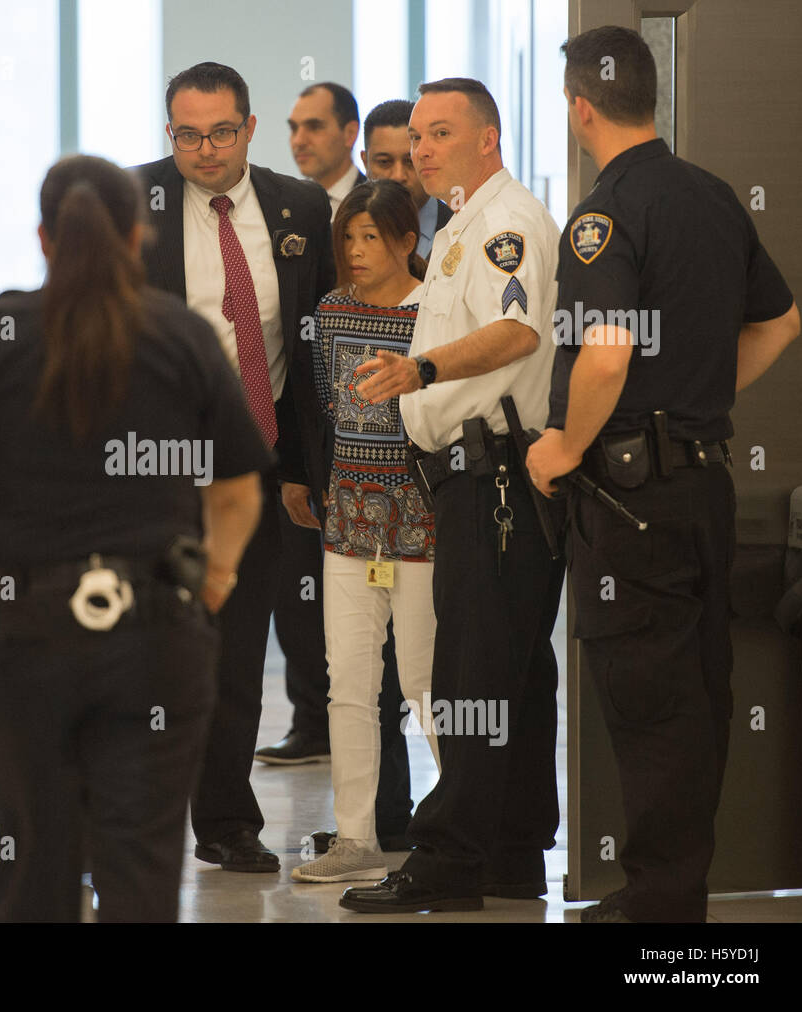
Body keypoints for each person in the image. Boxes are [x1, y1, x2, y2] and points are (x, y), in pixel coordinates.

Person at [0, 154, 270, 922]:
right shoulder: (181, 335)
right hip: (155, 637)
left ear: (44, 238)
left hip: (24, 640)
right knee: (142, 870)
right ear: (138, 234)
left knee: (35, 870)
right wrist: (211, 584)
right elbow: (240, 489)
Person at [527, 26, 800, 923]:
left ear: (579, 107)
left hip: (631, 497)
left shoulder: (604, 214)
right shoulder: (713, 196)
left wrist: (564, 445)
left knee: (648, 700)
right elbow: (781, 323)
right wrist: (693, 395)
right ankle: (674, 891)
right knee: (699, 693)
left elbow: (603, 357)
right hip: (702, 484)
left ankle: (660, 904)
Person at [340, 78, 564, 914]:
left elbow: (518, 331)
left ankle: (449, 861)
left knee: (475, 672)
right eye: (417, 137)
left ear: (489, 139)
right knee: (508, 670)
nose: (423, 150)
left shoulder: (506, 224)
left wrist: (421, 370)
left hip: (497, 477)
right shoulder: (460, 225)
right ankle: (509, 854)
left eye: (440, 134)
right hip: (471, 477)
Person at [134, 62, 335, 872]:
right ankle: (123, 820)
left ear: (250, 128)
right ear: (169, 133)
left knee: (237, 655)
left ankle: (225, 822)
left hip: (251, 469)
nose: (206, 149)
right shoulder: (130, 203)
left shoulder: (302, 208)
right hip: (148, 467)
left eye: (221, 132)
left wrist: (308, 469)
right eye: (188, 134)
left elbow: (316, 344)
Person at [292, 181, 441, 884]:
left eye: (370, 238)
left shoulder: (437, 313)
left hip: (423, 522)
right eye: (346, 238)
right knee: (348, 682)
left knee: (423, 679)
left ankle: (452, 832)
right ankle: (354, 838)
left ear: (407, 241)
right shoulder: (328, 313)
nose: (354, 252)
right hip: (348, 523)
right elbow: (324, 406)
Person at [253, 80, 365, 777]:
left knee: (342, 592)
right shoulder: (285, 214)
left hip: (354, 424)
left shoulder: (370, 209)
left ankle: (351, 717)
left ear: (348, 131)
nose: (300, 139)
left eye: (316, 125)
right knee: (291, 589)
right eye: (293, 126)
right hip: (284, 428)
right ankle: (311, 717)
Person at [362, 99, 454, 259]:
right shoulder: (340, 238)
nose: (398, 176)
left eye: (410, 161)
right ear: (365, 162)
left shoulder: (462, 230)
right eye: (384, 162)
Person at [288, 81, 364, 218]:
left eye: (314, 127)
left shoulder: (376, 203)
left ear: (350, 134)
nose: (298, 141)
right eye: (294, 128)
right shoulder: (286, 206)